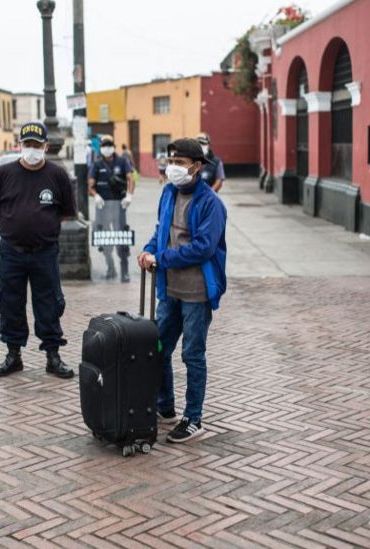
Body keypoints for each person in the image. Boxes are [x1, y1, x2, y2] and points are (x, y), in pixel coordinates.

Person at [137, 137, 227, 443]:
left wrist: (160, 258)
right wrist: (148, 251)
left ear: (197, 167)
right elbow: (160, 231)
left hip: (196, 293)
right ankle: (165, 407)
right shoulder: (168, 193)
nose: (172, 168)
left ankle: (194, 418)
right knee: (158, 348)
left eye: (179, 163)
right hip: (169, 289)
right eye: (170, 162)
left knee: (192, 354)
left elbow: (202, 248)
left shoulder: (211, 204)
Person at [0, 121, 76, 379]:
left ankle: (53, 356)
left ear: (46, 146)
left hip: (44, 251)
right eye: (28, 145)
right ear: (20, 145)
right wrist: (16, 222)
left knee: (49, 303)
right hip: (11, 252)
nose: (32, 149)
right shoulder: (3, 175)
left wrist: (41, 226)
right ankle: (13, 356)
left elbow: (67, 213)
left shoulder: (58, 176)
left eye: (37, 145)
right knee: (10, 303)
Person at [87, 134, 135, 282]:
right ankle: (110, 266)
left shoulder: (122, 161)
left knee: (122, 238)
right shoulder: (97, 164)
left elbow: (130, 179)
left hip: (119, 206)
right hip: (103, 206)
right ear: (101, 147)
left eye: (109, 145)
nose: (107, 148)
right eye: (104, 145)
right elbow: (90, 185)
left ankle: (125, 270)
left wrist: (129, 195)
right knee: (105, 239)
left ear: (113, 146)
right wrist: (95, 195)